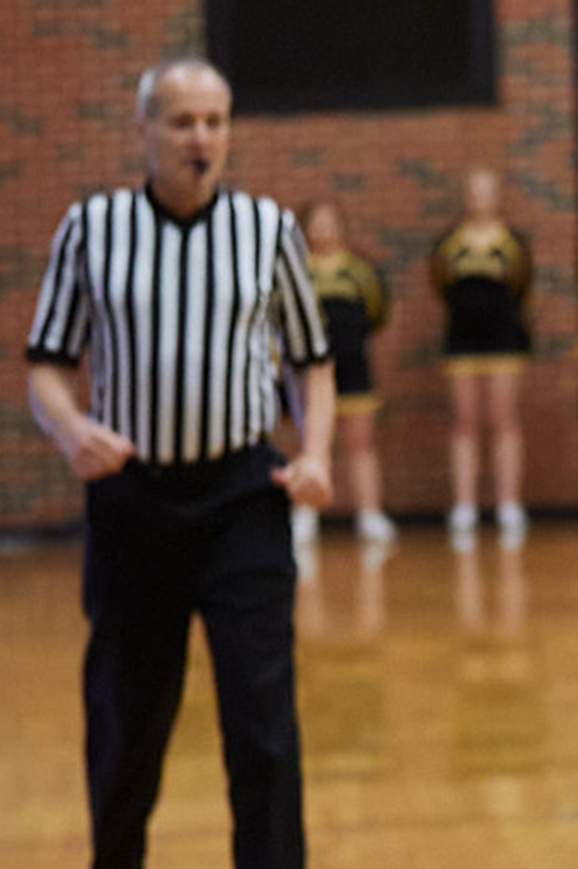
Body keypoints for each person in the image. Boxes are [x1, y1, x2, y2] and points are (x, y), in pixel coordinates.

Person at [25, 58, 334, 869]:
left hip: (243, 499)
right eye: (182, 121)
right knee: (128, 728)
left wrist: (318, 450)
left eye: (216, 121)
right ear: (142, 132)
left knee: (263, 727)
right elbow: (46, 366)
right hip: (135, 503)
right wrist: (70, 431)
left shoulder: (268, 231)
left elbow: (311, 359)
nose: (202, 137)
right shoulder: (91, 228)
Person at [429, 168, 533, 549]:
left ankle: (508, 505)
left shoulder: (512, 243)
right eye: (474, 191)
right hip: (462, 340)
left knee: (504, 419)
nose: (480, 198)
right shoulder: (450, 244)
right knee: (465, 421)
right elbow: (440, 282)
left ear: (498, 195)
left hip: (503, 339)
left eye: (487, 191)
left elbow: (523, 282)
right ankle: (465, 506)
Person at [292, 199, 396, 548]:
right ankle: (305, 516)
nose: (322, 229)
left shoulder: (359, 271)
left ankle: (369, 514)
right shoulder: (299, 271)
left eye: (329, 222)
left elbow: (378, 311)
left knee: (360, 443)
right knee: (311, 443)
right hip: (310, 372)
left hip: (353, 369)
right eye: (316, 223)